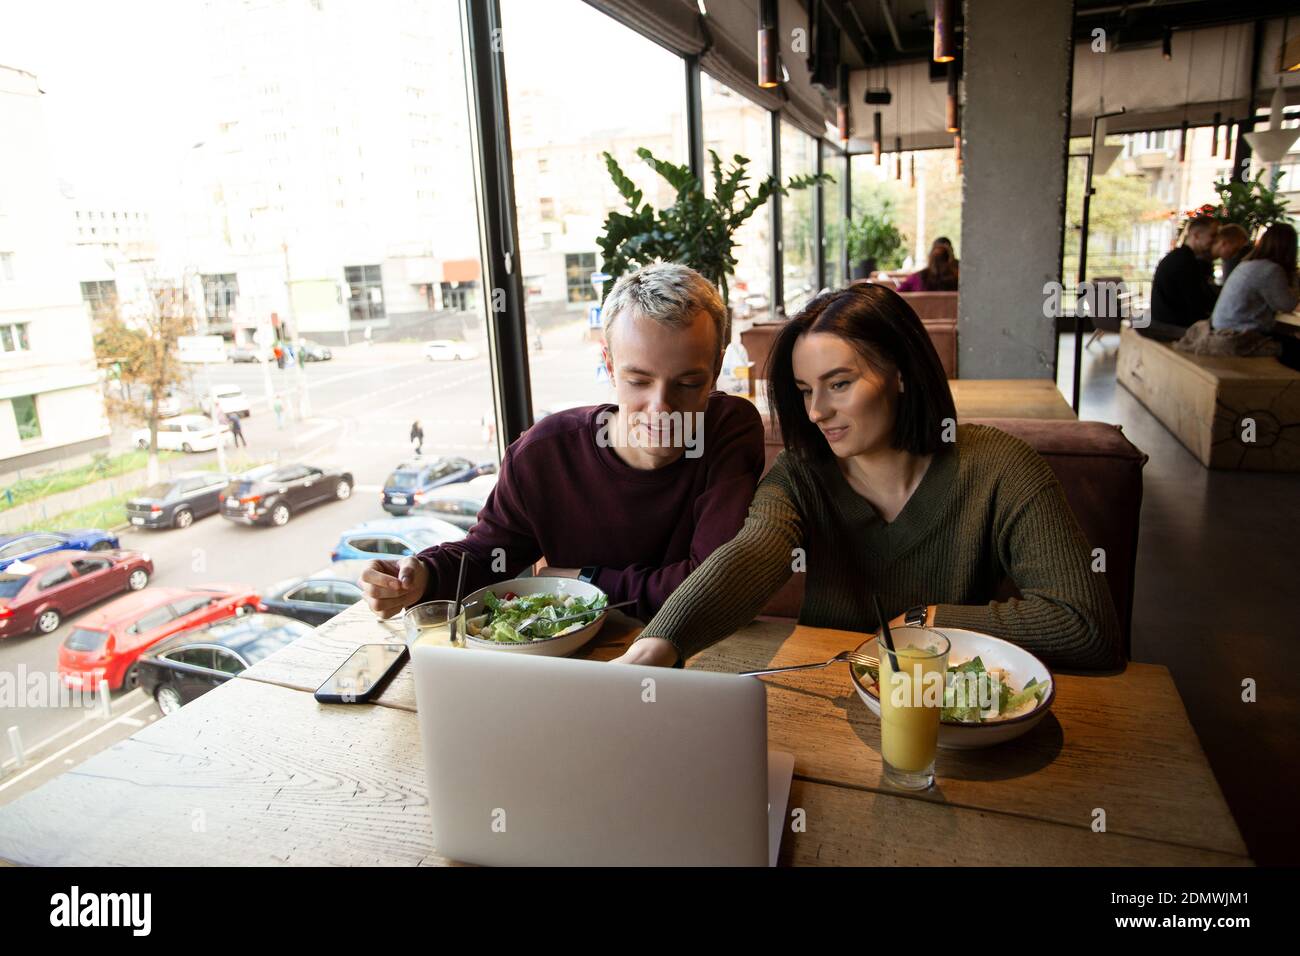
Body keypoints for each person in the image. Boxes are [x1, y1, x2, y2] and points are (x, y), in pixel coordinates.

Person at [614, 282, 1123, 670]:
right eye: (805, 391)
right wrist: (659, 644)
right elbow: (753, 553)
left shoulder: (1001, 469)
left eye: (839, 384)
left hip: (946, 700)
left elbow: (1085, 626)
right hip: (828, 689)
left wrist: (922, 623)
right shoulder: (802, 474)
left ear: (901, 373)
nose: (817, 412)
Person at [360, 262, 766, 624]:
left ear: (716, 369)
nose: (661, 408)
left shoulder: (727, 428)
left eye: (688, 383)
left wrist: (583, 582)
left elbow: (713, 583)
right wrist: (422, 575)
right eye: (638, 381)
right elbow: (490, 556)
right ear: (608, 365)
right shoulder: (543, 455)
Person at [1209, 223, 1298, 334]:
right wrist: (1294, 273)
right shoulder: (1271, 270)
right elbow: (1288, 305)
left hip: (1221, 329)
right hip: (1236, 336)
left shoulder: (1248, 264)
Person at [1143, 216, 1219, 341]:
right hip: (1172, 326)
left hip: (1163, 321)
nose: (1215, 240)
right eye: (1213, 235)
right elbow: (1196, 304)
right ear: (1197, 235)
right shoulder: (1185, 262)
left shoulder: (1180, 257)